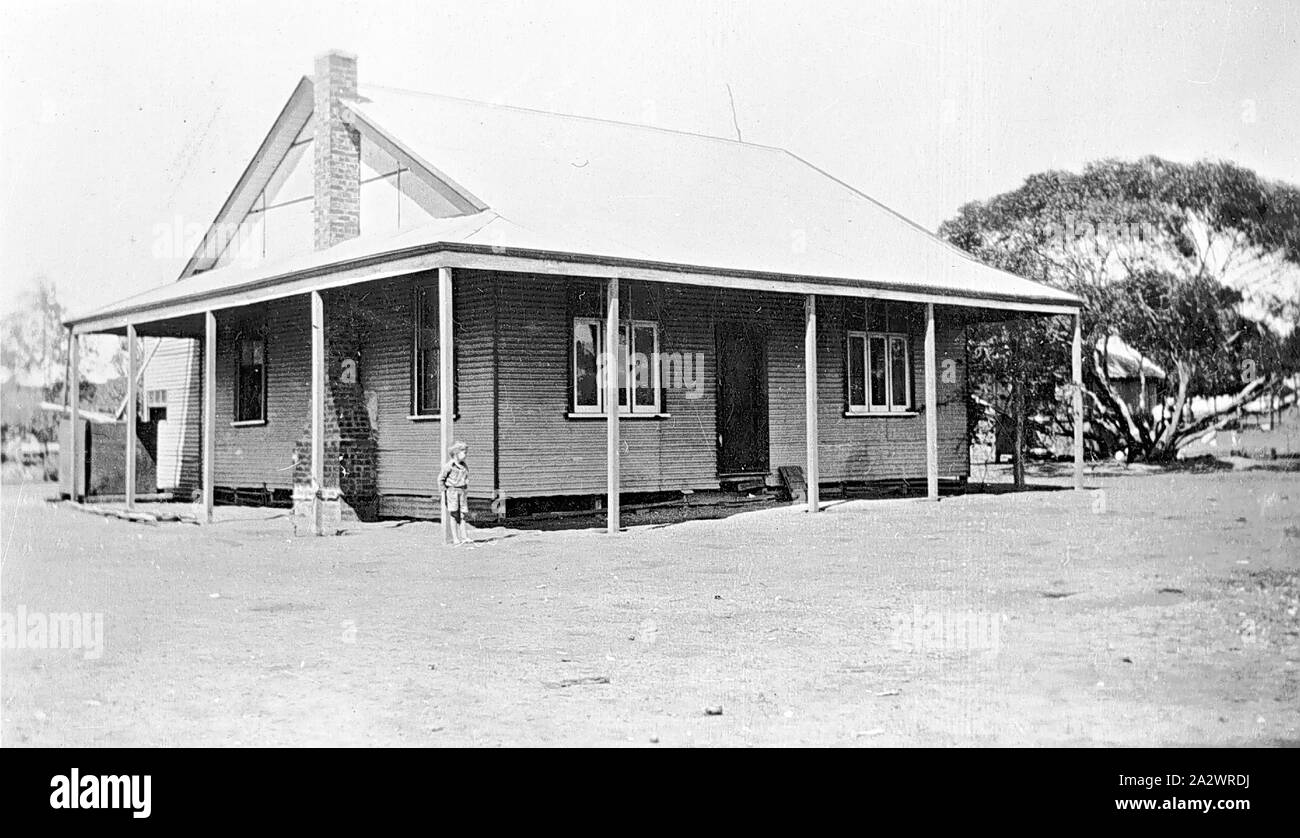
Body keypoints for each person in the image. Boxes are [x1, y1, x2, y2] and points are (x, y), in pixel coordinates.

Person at [438, 441, 473, 545]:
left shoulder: (464, 466)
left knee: (463, 515)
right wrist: (444, 491)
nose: (465, 455)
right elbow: (441, 479)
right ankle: (455, 538)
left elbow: (466, 477)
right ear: (456, 453)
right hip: (452, 491)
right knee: (454, 515)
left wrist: (466, 485)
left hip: (462, 491)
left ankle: (464, 537)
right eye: (463, 453)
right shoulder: (449, 466)